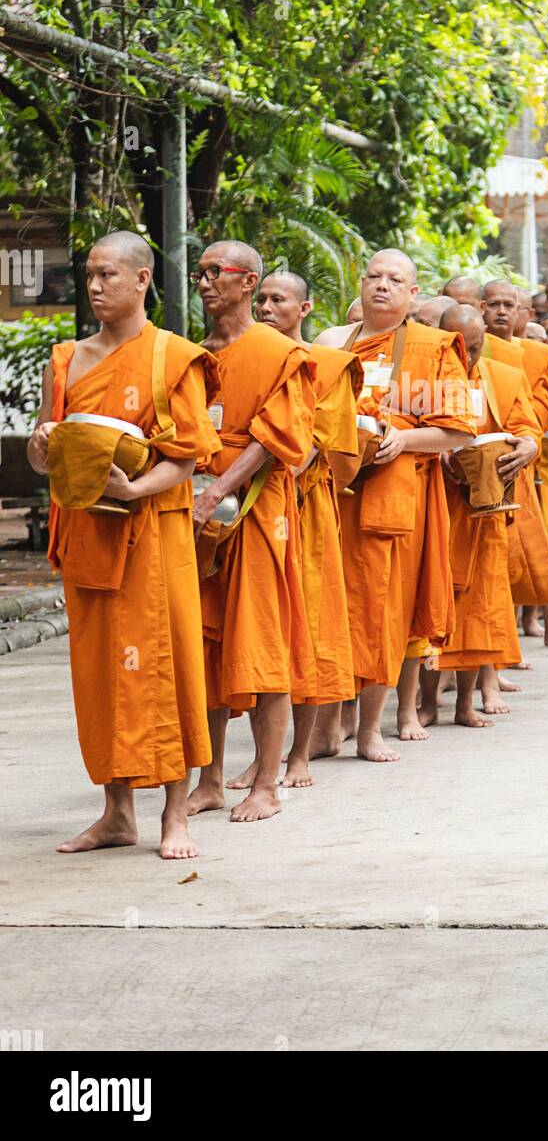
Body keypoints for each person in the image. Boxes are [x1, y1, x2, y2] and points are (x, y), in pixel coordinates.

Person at [27, 231, 221, 859]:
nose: (94, 286)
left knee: (164, 670)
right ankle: (116, 813)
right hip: (88, 536)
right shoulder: (67, 359)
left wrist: (136, 487)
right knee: (100, 676)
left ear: (142, 281)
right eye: (90, 274)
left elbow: (189, 457)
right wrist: (39, 448)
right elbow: (47, 450)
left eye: (108, 274)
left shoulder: (173, 358)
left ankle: (175, 816)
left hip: (153, 538)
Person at [316, 250, 476, 759]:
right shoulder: (328, 343)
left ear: (413, 292)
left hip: (391, 496)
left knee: (380, 610)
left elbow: (457, 430)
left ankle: (369, 729)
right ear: (359, 284)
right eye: (374, 277)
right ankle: (324, 728)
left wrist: (404, 441)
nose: (382, 286)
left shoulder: (434, 348)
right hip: (326, 493)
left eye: (395, 279)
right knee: (326, 608)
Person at [187, 241, 316, 822]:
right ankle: (210, 780)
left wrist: (219, 489)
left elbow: (279, 435)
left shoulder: (276, 350)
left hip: (260, 511)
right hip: (199, 515)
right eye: (201, 272)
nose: (207, 281)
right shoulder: (191, 355)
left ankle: (266, 784)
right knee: (207, 644)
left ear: (248, 281)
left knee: (264, 641)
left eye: (219, 272)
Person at [255, 270, 363, 784]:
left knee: (308, 626)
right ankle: (264, 755)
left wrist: (249, 480)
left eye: (279, 299)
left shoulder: (329, 368)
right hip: (252, 512)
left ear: (305, 308)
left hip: (303, 509)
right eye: (261, 299)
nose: (267, 307)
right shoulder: (245, 362)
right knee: (260, 633)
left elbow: (309, 449)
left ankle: (300, 754)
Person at [421, 305, 537, 725]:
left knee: (478, 609)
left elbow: (527, 426)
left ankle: (465, 703)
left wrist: (528, 446)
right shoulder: (425, 377)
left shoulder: (502, 377)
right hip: (438, 505)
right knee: (435, 605)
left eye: (473, 347)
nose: (466, 358)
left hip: (485, 509)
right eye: (458, 349)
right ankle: (429, 702)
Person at [480, 281, 548, 647]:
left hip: (532, 459)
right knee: (501, 557)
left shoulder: (536, 355)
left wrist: (547, 432)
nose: (502, 312)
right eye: (494, 304)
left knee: (539, 549)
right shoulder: (469, 347)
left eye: (510, 305)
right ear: (480, 309)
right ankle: (502, 648)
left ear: (525, 312)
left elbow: (544, 409)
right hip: (488, 461)